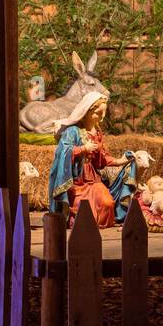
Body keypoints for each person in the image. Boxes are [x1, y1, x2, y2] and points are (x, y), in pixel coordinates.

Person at [46, 91, 137, 228]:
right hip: (76, 182)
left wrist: (121, 160)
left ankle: (94, 226)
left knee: (107, 204)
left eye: (104, 113)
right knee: (84, 211)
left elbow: (102, 160)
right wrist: (83, 149)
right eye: (98, 113)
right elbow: (62, 152)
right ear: (86, 112)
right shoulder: (73, 131)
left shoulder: (97, 133)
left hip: (94, 181)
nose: (102, 117)